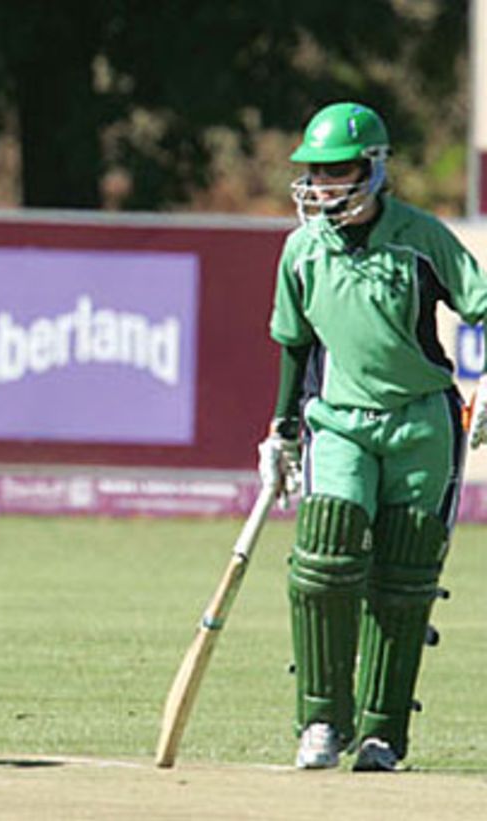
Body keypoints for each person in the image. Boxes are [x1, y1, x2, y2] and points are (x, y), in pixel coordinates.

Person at [258, 101, 487, 772]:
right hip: (340, 420)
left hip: (422, 421)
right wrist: (281, 430)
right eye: (314, 173)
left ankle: (383, 732)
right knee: (324, 559)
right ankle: (322, 721)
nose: (322, 185)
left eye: (336, 172)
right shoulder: (301, 250)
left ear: (374, 168)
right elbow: (295, 346)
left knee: (404, 577)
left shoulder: (422, 236)